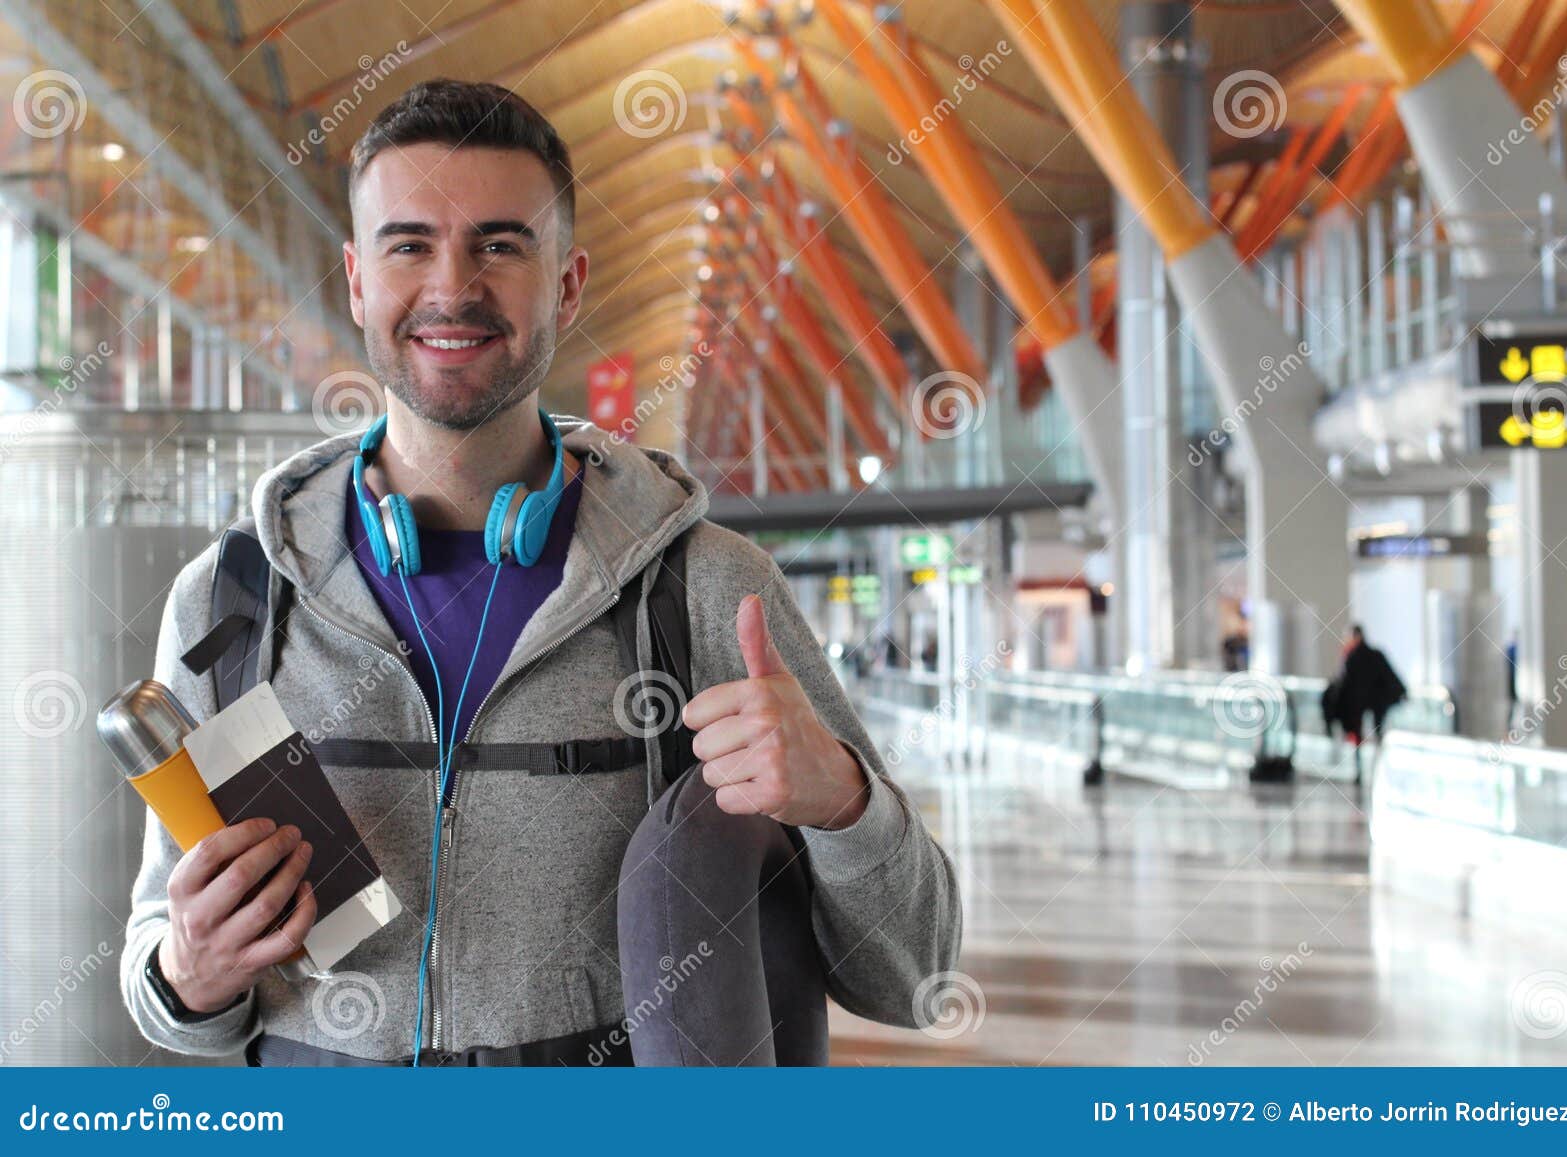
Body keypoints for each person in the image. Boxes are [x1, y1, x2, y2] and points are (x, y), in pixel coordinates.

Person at [119, 80, 960, 1066]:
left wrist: (846, 801)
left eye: (499, 244)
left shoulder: (702, 591)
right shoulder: (236, 603)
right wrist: (187, 968)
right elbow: (161, 971)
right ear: (356, 280)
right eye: (408, 245)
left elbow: (915, 971)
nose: (450, 287)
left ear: (566, 283)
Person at [1329, 625, 1407, 784]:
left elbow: (1343, 683)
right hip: (1375, 704)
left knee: (1361, 738)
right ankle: (1378, 770)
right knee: (1376, 735)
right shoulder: (1375, 655)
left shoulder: (1352, 657)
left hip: (1359, 705)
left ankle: (1364, 772)